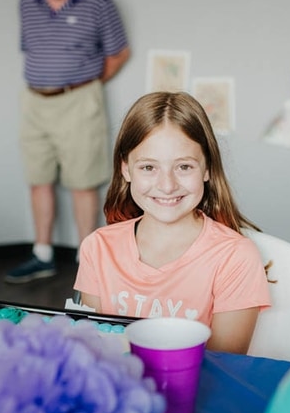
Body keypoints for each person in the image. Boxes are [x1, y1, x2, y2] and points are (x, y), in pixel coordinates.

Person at [73, 92, 271, 355]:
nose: (167, 185)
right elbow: (93, 348)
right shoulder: (97, 247)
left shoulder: (235, 257)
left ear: (207, 169)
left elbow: (224, 365)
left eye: (184, 167)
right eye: (148, 168)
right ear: (125, 169)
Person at [6, 0, 131, 284]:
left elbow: (119, 52)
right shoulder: (27, 1)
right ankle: (43, 255)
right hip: (35, 101)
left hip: (78, 101)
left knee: (82, 183)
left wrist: (84, 83)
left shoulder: (97, 0)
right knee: (38, 179)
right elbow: (32, 49)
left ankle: (86, 260)